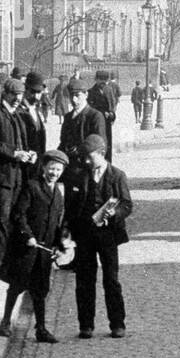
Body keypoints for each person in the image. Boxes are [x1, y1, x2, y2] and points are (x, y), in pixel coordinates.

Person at [65, 134, 133, 340]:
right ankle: (86, 325)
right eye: (84, 157)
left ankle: (117, 324)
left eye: (89, 157)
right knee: (84, 280)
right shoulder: (79, 175)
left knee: (111, 280)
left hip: (108, 235)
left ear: (102, 154)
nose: (86, 161)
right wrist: (68, 231)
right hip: (85, 234)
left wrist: (115, 214)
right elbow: (71, 206)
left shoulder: (117, 175)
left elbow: (127, 204)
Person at [0, 150, 69, 343]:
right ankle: (5, 322)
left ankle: (41, 328)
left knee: (40, 289)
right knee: (17, 285)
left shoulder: (58, 194)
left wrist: (58, 245)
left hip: (43, 251)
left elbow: (57, 223)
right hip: (26, 248)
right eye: (51, 168)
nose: (54, 172)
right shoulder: (32, 187)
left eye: (58, 169)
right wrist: (27, 235)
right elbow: (18, 215)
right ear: (44, 168)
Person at [0, 77, 37, 268]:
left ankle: (10, 254)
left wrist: (28, 153)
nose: (17, 98)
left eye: (20, 95)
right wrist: (14, 153)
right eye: (14, 94)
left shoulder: (17, 115)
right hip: (3, 175)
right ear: (5, 94)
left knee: (16, 215)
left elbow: (22, 141)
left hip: (18, 175)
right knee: (2, 218)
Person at [59, 76, 108, 180]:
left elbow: (100, 145)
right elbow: (63, 142)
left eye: (77, 95)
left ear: (86, 94)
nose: (73, 100)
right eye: (71, 96)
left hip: (87, 170)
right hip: (70, 170)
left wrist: (78, 151)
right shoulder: (68, 117)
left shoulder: (95, 116)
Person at [87, 70, 117, 161]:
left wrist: (112, 114)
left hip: (107, 122)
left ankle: (107, 162)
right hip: (96, 121)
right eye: (101, 80)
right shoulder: (91, 92)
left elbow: (113, 104)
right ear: (96, 80)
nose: (103, 82)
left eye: (105, 80)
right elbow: (90, 108)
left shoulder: (109, 90)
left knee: (107, 143)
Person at [21, 71, 50, 160]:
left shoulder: (34, 109)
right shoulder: (18, 110)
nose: (37, 96)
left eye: (39, 92)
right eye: (33, 92)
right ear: (25, 90)